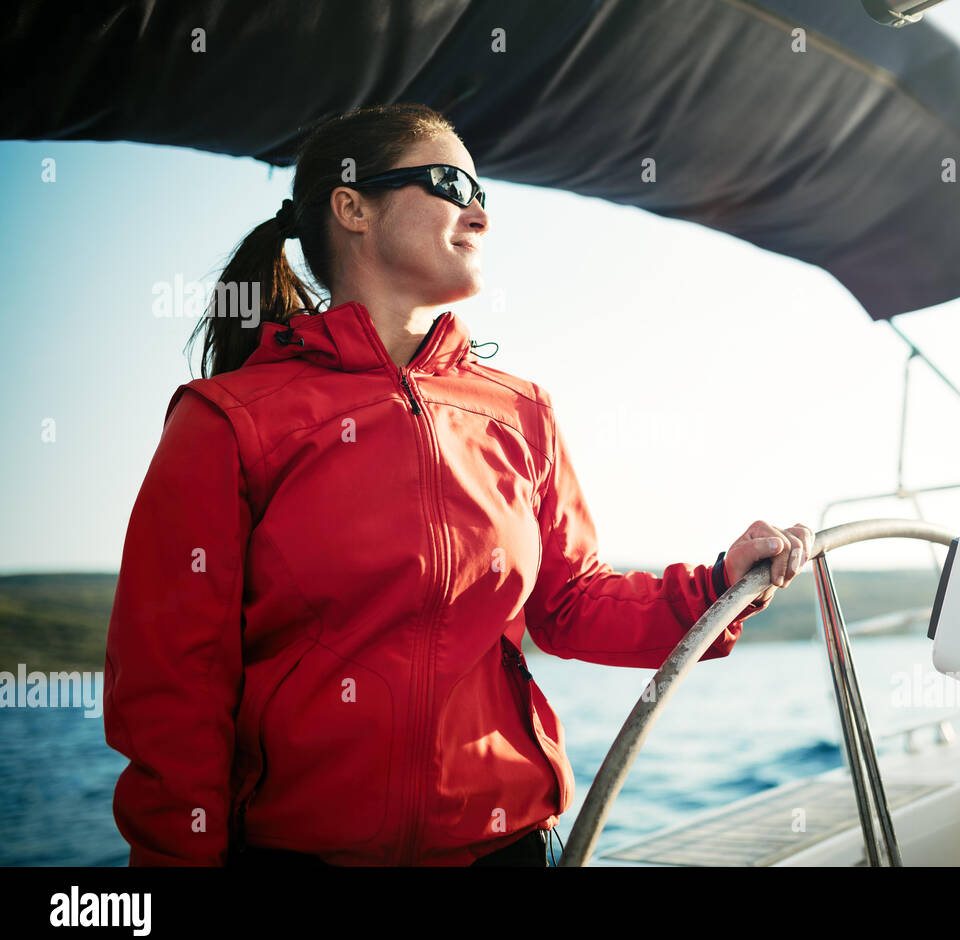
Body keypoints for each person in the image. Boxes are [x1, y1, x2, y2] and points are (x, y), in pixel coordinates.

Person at [103, 103, 813, 867]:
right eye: (449, 183)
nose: (478, 213)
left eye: (484, 194)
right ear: (352, 207)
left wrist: (715, 586)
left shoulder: (520, 411)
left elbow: (571, 606)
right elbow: (174, 684)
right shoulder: (230, 420)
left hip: (506, 848)